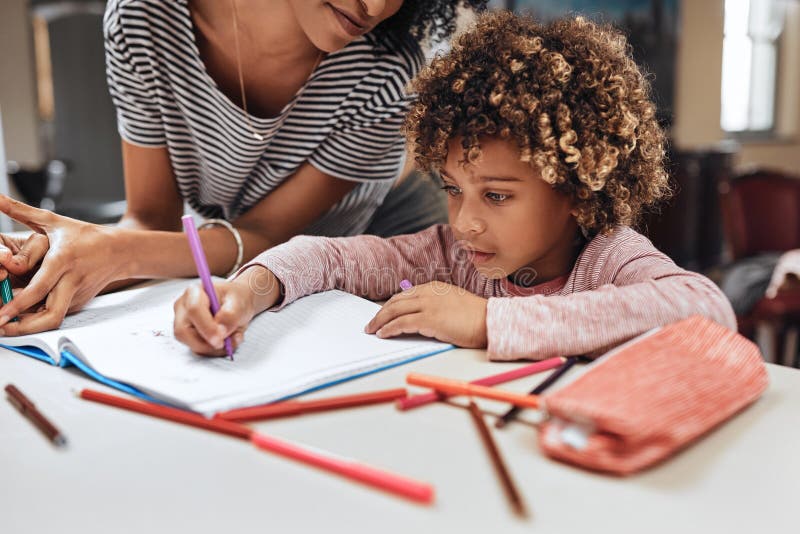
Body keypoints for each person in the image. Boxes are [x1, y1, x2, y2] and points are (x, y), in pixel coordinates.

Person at [172, 11, 736, 359]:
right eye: (451, 188)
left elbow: (706, 310)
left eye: (496, 195)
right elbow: (331, 258)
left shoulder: (608, 258)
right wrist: (248, 292)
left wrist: (487, 321)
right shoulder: (450, 256)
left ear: (576, 190)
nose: (464, 221)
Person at [0, 0, 487, 336]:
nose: (377, 6)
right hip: (240, 255)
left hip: (384, 236)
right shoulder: (142, 19)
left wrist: (117, 252)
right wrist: (65, 262)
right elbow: (150, 224)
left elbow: (268, 233)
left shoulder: (387, 70)